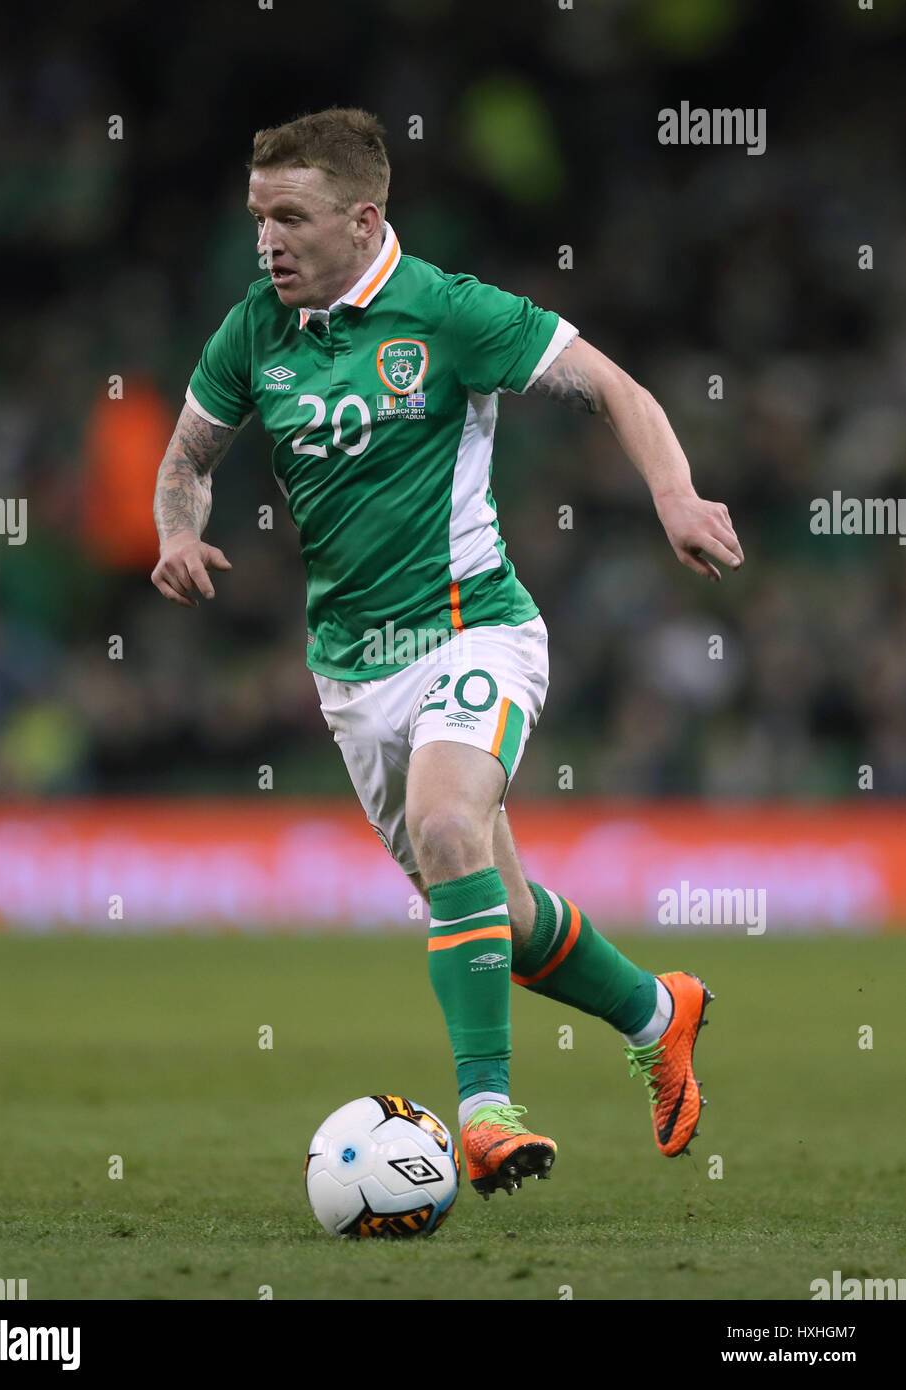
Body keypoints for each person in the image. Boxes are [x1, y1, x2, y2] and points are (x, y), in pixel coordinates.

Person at [151, 108, 742, 1200]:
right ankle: (661, 1014)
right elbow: (187, 455)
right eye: (256, 218)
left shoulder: (449, 310)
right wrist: (176, 529)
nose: (266, 241)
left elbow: (614, 384)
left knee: (442, 821)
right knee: (498, 917)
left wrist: (672, 492)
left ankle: (481, 1111)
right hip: (351, 672)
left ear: (362, 218)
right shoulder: (253, 327)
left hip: (474, 630)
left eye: (291, 217)